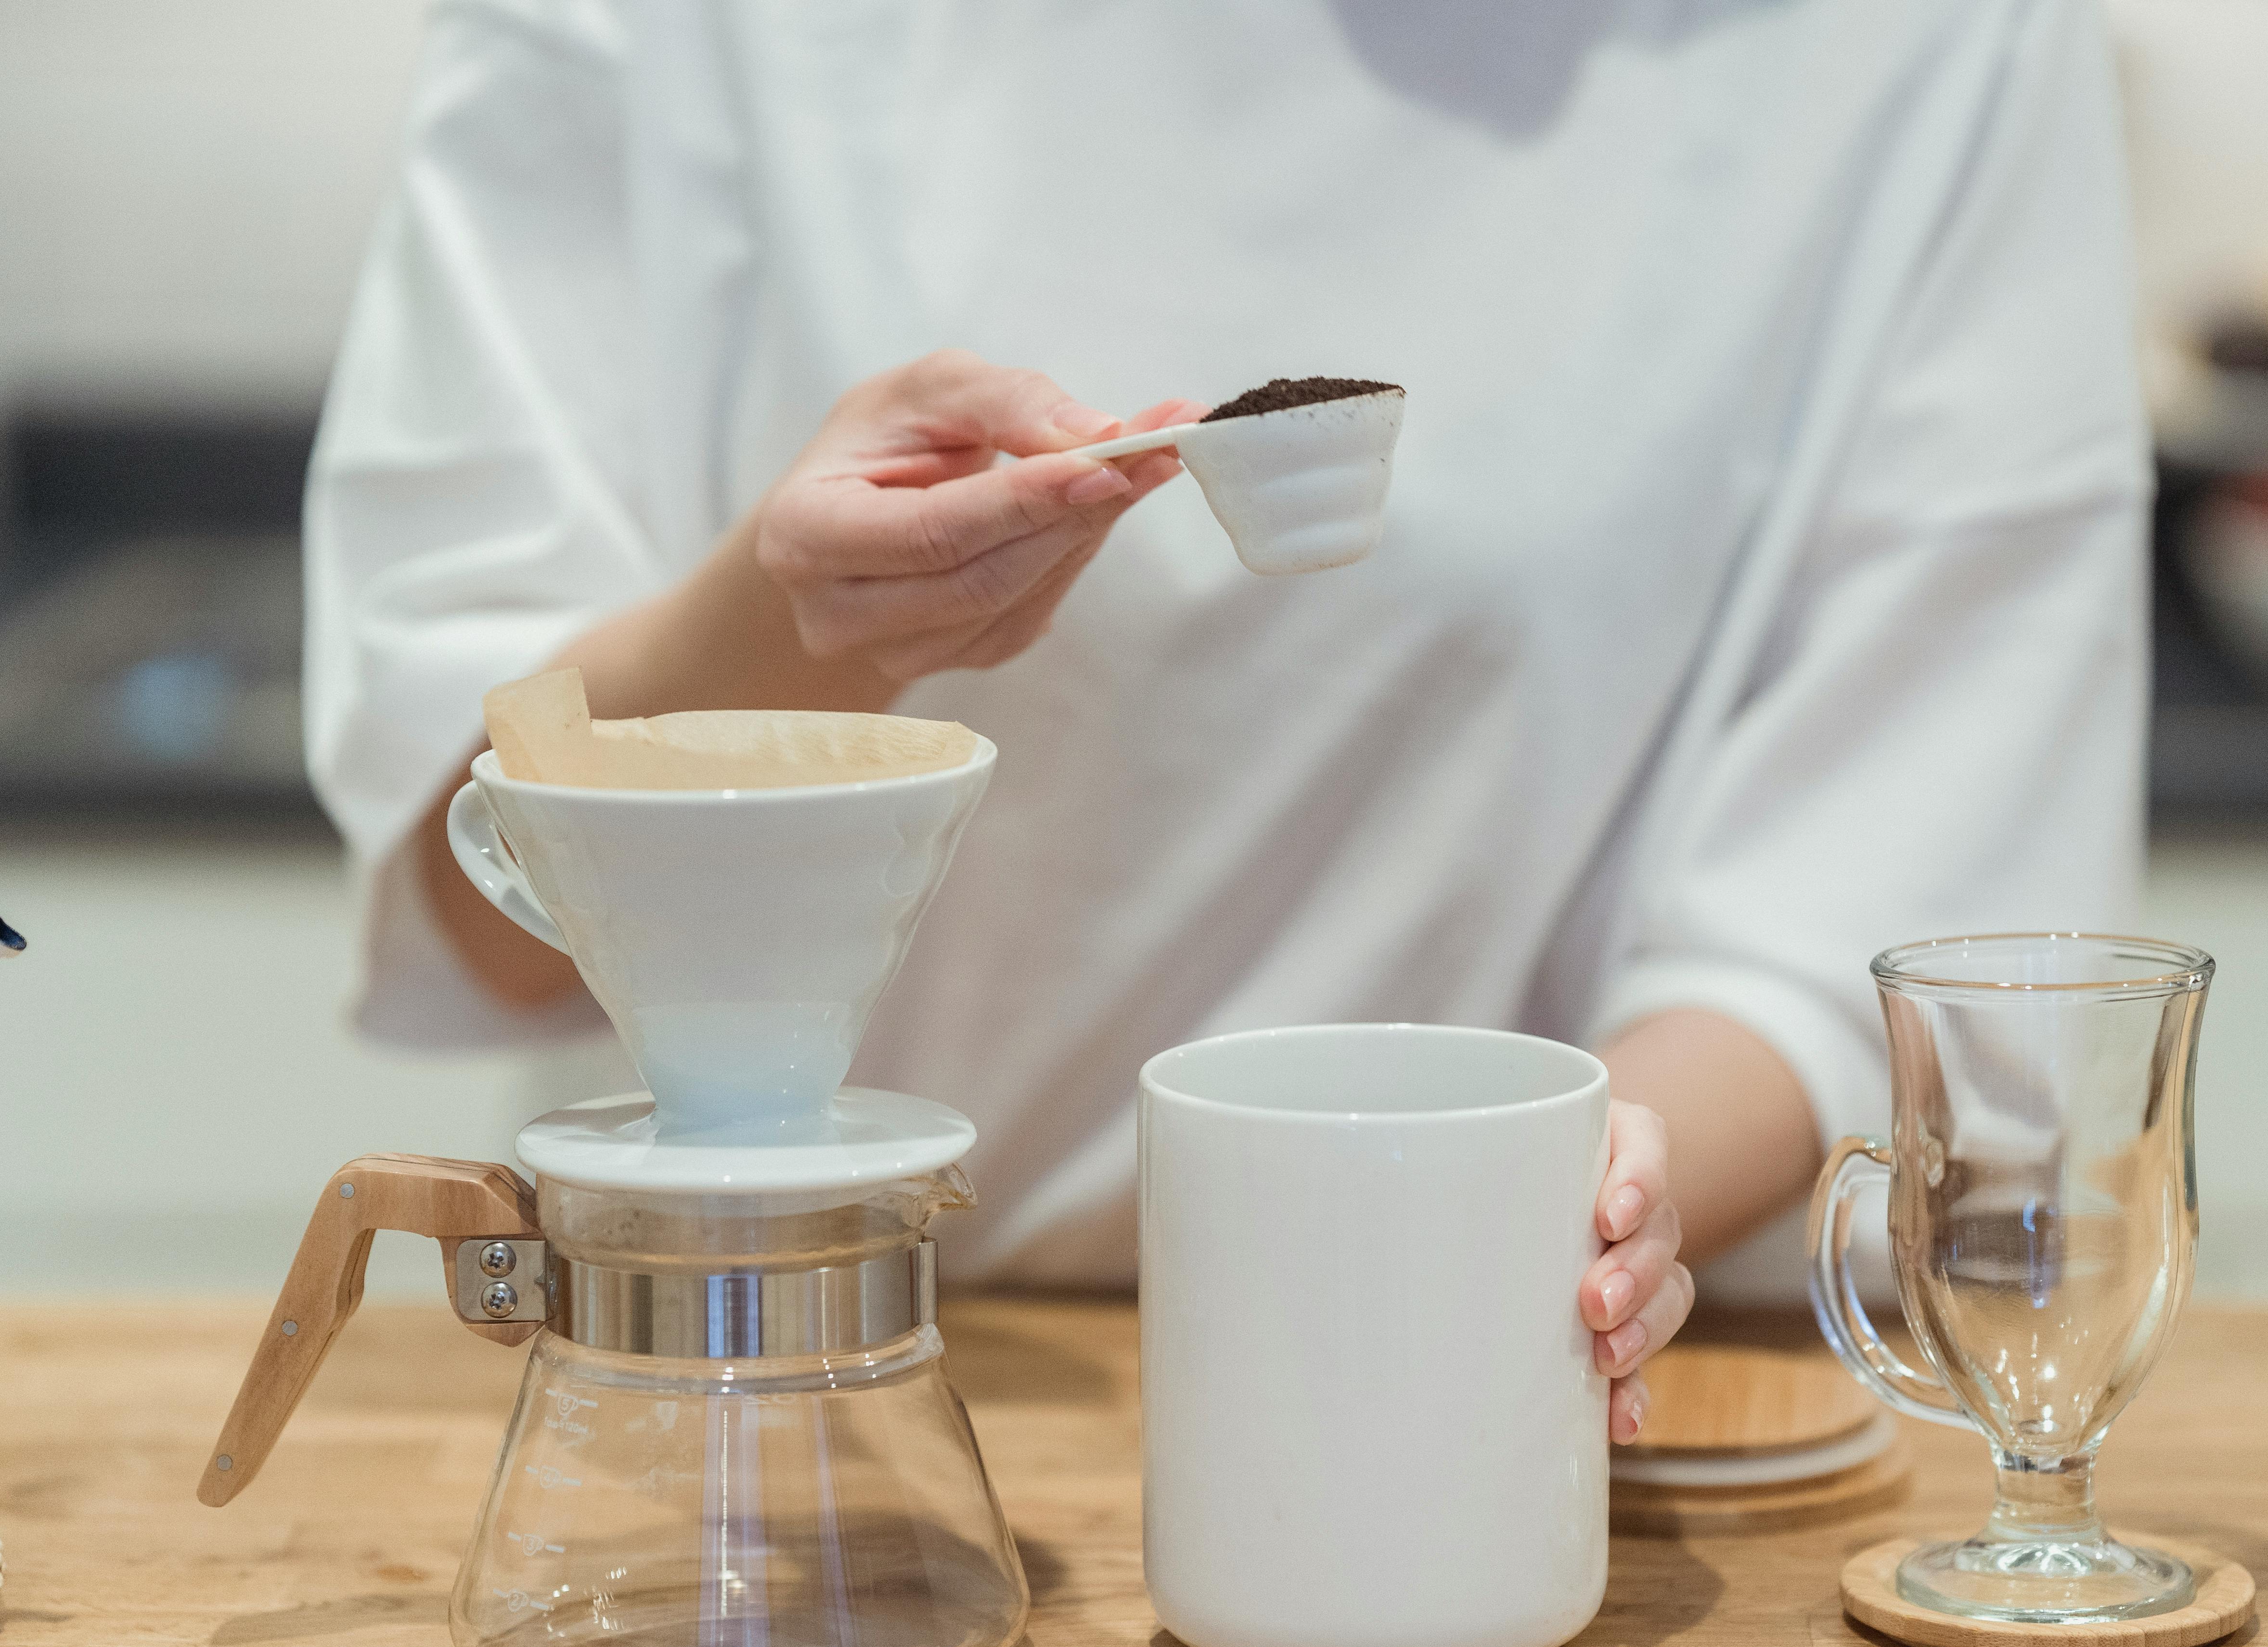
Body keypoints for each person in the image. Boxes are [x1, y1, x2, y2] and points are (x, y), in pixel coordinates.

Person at [306, 0, 2149, 1446]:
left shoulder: (1927, 43)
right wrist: (797, 638)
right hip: (797, 1385)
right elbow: (489, 907)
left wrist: (1565, 1194)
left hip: (1538, 1407)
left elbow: (1882, 918)